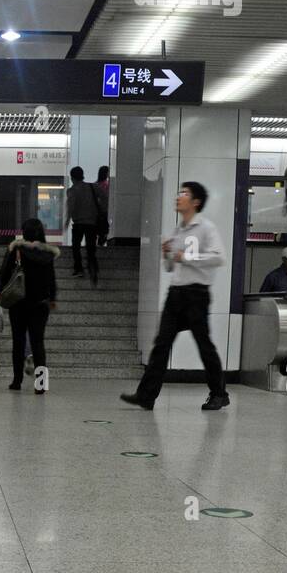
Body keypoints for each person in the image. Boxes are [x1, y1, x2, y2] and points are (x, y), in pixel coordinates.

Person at [121, 181, 229, 412]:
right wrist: (168, 256)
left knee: (204, 345)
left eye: (184, 193)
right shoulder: (178, 230)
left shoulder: (206, 228)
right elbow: (171, 267)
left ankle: (219, 394)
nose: (178, 196)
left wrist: (186, 257)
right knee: (161, 343)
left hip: (197, 295)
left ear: (196, 202)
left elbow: (219, 258)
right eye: (179, 192)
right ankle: (146, 395)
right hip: (176, 294)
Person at [0, 218, 59, 393]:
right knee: (38, 343)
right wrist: (52, 298)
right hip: (40, 304)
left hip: (18, 303)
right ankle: (41, 385)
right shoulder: (47, 254)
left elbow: (4, 272)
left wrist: (0, 290)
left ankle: (17, 381)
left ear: (24, 232)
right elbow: (51, 279)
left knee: (18, 342)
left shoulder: (16, 250)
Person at [65, 166, 100, 284]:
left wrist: (67, 220)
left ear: (72, 177)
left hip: (79, 223)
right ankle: (93, 265)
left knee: (76, 246)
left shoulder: (72, 190)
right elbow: (104, 198)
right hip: (92, 223)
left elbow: (71, 207)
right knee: (91, 247)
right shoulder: (93, 187)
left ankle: (79, 268)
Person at [95, 165, 110, 247]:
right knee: (104, 231)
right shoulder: (107, 185)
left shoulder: (95, 185)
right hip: (104, 211)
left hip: (95, 212)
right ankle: (100, 245)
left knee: (96, 230)